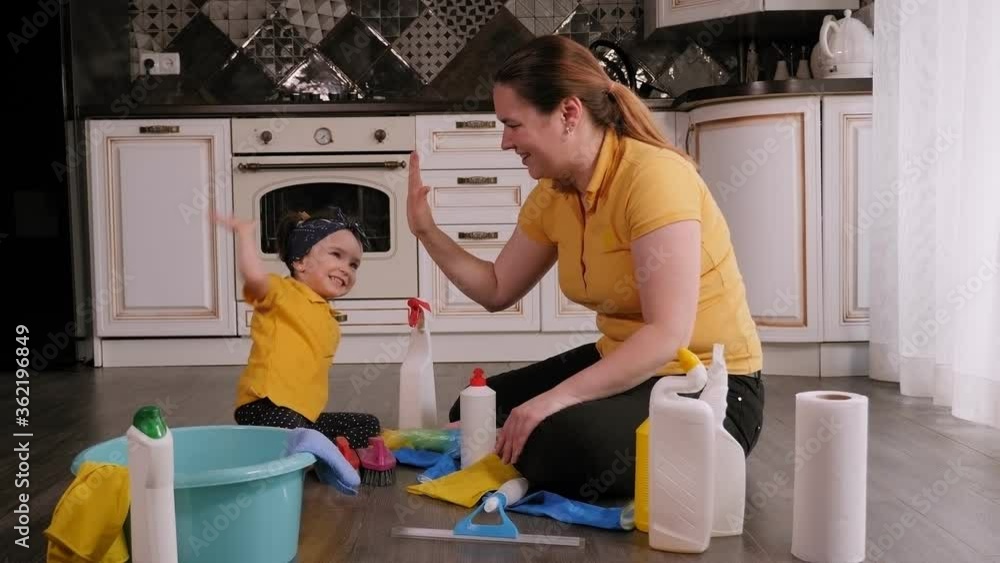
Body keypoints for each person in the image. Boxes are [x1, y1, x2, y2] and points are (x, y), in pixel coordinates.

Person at [407, 35, 764, 500]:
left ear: (569, 114)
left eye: (513, 125)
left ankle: (542, 448)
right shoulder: (554, 193)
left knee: (561, 441)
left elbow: (666, 335)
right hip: (624, 360)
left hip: (712, 385)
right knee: (477, 408)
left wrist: (553, 400)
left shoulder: (653, 177)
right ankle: (532, 447)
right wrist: (428, 232)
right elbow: (496, 288)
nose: (504, 141)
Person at [215, 207, 382, 449]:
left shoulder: (327, 316)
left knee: (369, 425)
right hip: (266, 406)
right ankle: (314, 452)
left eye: (354, 264)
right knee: (295, 432)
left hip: (304, 416)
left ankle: (324, 451)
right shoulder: (282, 291)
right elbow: (253, 277)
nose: (346, 268)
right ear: (300, 261)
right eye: (336, 254)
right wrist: (245, 234)